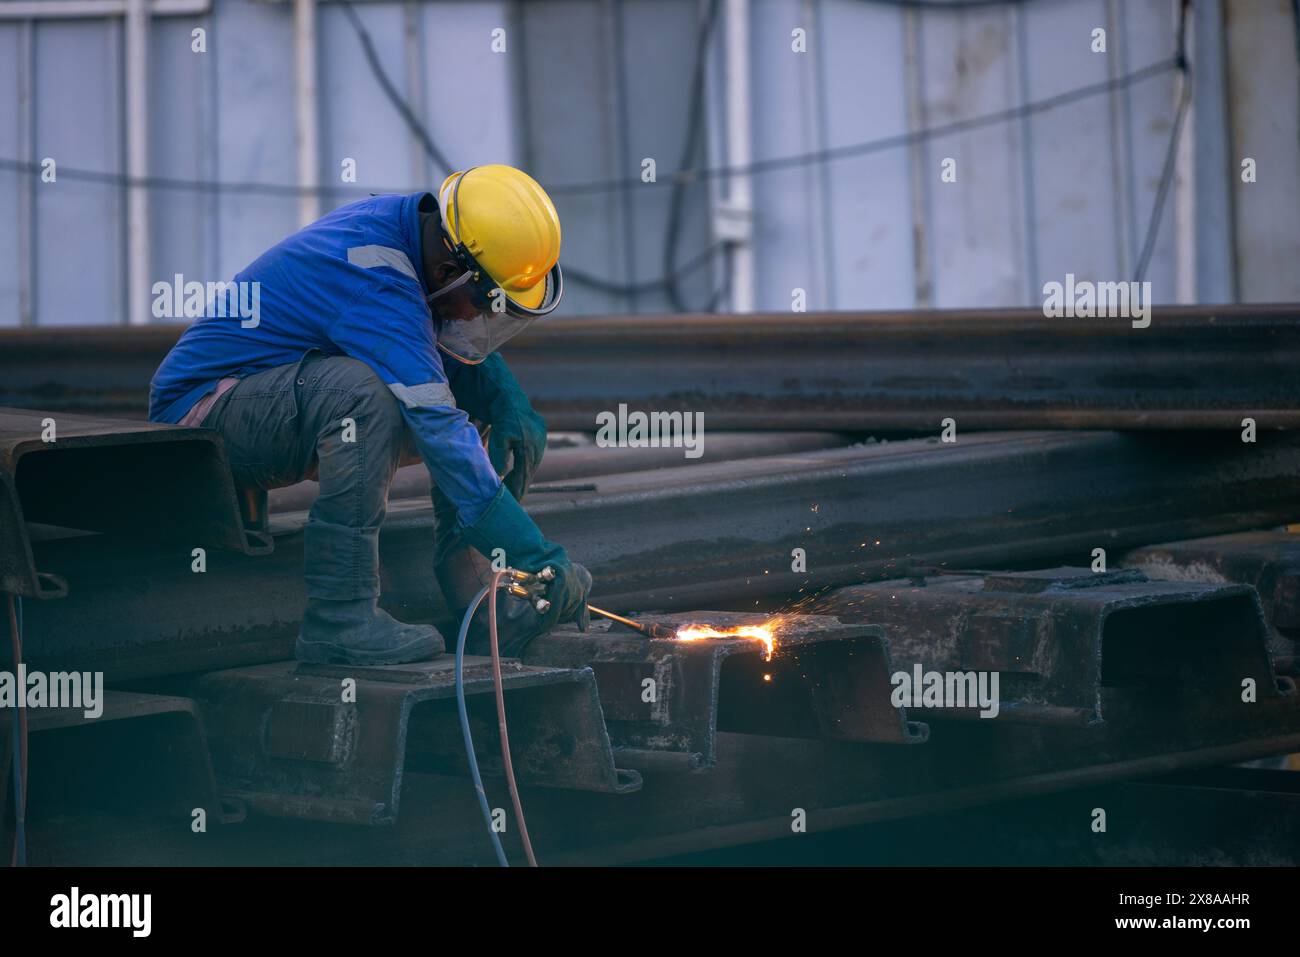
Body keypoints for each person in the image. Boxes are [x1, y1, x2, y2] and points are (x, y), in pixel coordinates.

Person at [148, 164, 591, 666]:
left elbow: (435, 363)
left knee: (467, 396)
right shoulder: (375, 275)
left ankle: (482, 604)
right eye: (485, 305)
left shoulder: (413, 233)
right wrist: (530, 552)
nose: (480, 320)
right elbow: (437, 424)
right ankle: (339, 621)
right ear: (449, 273)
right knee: (365, 398)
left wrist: (503, 396)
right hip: (203, 417)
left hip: (271, 395)